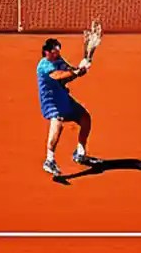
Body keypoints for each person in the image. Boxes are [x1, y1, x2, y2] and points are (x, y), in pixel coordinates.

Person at [36, 37, 96, 177]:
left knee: (85, 118)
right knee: (58, 124)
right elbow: (58, 76)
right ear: (47, 52)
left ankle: (80, 153)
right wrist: (74, 72)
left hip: (63, 98)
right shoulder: (44, 66)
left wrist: (80, 70)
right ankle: (49, 161)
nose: (58, 53)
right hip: (51, 101)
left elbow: (69, 74)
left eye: (58, 51)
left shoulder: (59, 60)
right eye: (55, 51)